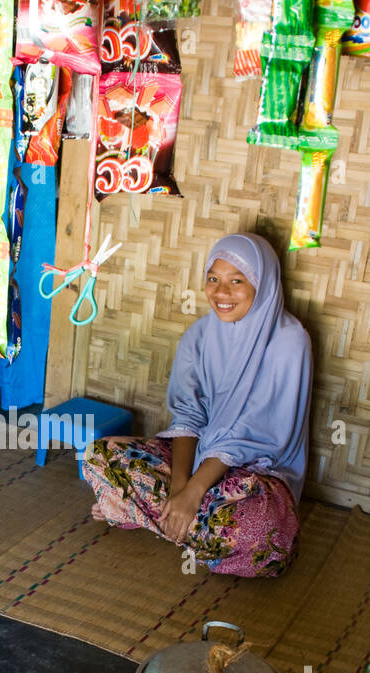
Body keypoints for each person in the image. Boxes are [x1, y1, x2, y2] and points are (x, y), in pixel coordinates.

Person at [82, 233, 311, 578]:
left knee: (265, 533)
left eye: (237, 281)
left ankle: (147, 514)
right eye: (213, 279)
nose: (222, 293)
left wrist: (193, 493)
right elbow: (188, 417)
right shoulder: (199, 335)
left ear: (263, 284)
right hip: (199, 466)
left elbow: (255, 433)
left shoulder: (290, 342)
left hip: (257, 474)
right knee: (99, 455)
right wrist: (179, 489)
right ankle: (181, 524)